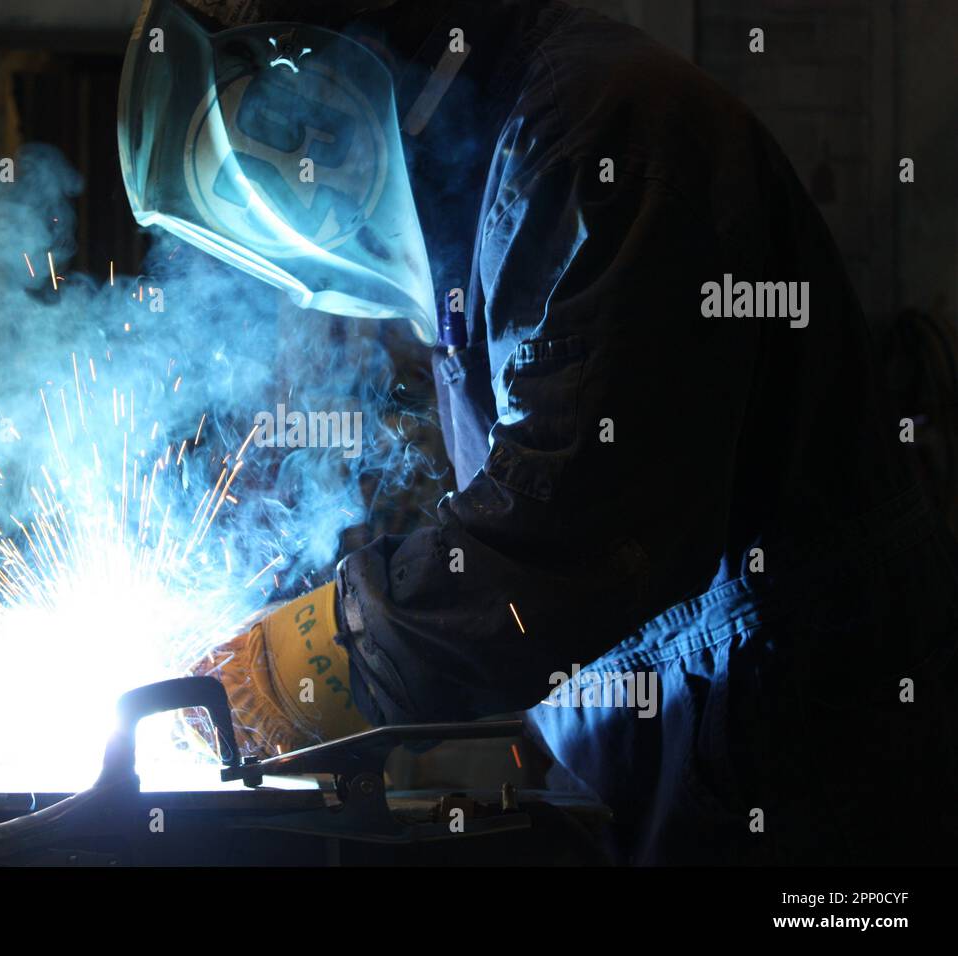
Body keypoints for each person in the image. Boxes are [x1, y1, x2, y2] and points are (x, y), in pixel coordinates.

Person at [117, 0, 958, 864]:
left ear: (320, 65)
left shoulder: (594, 132)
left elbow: (566, 523)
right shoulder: (476, 166)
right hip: (686, 729)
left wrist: (315, 658)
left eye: (279, 141)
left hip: (790, 741)